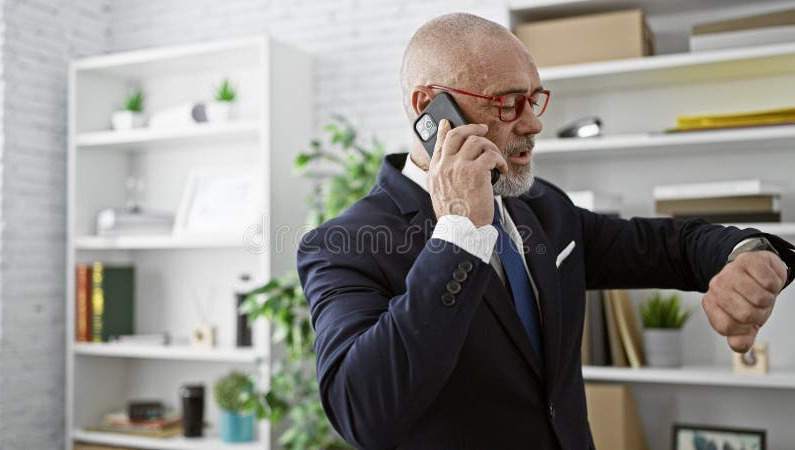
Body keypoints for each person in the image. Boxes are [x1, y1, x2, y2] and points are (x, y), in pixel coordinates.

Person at [297, 13, 794, 450]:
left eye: (535, 99)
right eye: (509, 103)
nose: (534, 124)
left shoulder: (545, 209)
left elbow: (668, 245)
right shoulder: (345, 244)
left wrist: (748, 253)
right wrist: (457, 234)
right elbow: (362, 413)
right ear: (431, 107)